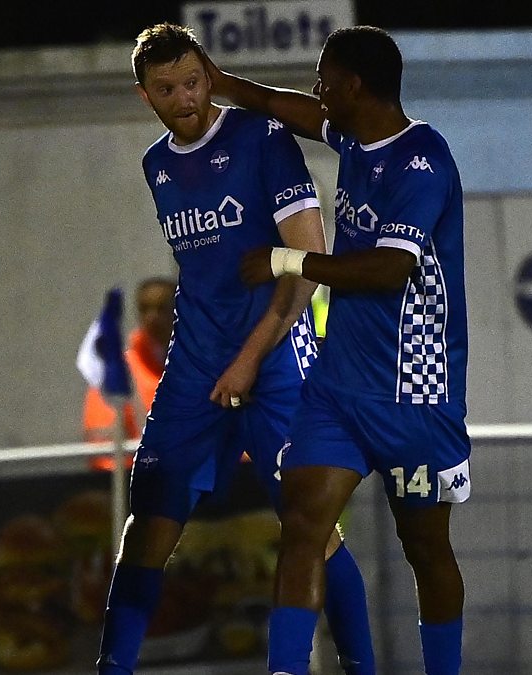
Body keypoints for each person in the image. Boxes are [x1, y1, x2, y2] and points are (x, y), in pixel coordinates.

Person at [97, 24, 374, 675]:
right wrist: (214, 357)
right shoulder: (156, 164)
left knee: (309, 529)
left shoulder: (261, 138)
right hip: (195, 368)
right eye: (167, 89)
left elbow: (307, 262)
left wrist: (250, 356)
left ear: (208, 75)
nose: (185, 98)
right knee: (148, 525)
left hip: (274, 361)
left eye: (193, 82)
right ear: (146, 96)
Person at [210, 25, 471, 675]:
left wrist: (287, 257)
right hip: (336, 389)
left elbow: (388, 269)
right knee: (303, 525)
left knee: (426, 549)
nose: (316, 88)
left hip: (413, 393)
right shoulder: (354, 138)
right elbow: (284, 108)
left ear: (354, 85)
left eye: (325, 77)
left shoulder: (423, 162)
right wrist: (223, 85)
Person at [82, 276, 175, 442]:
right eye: (145, 309)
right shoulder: (118, 370)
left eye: (162, 309)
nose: (152, 317)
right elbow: (101, 441)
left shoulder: (208, 366)